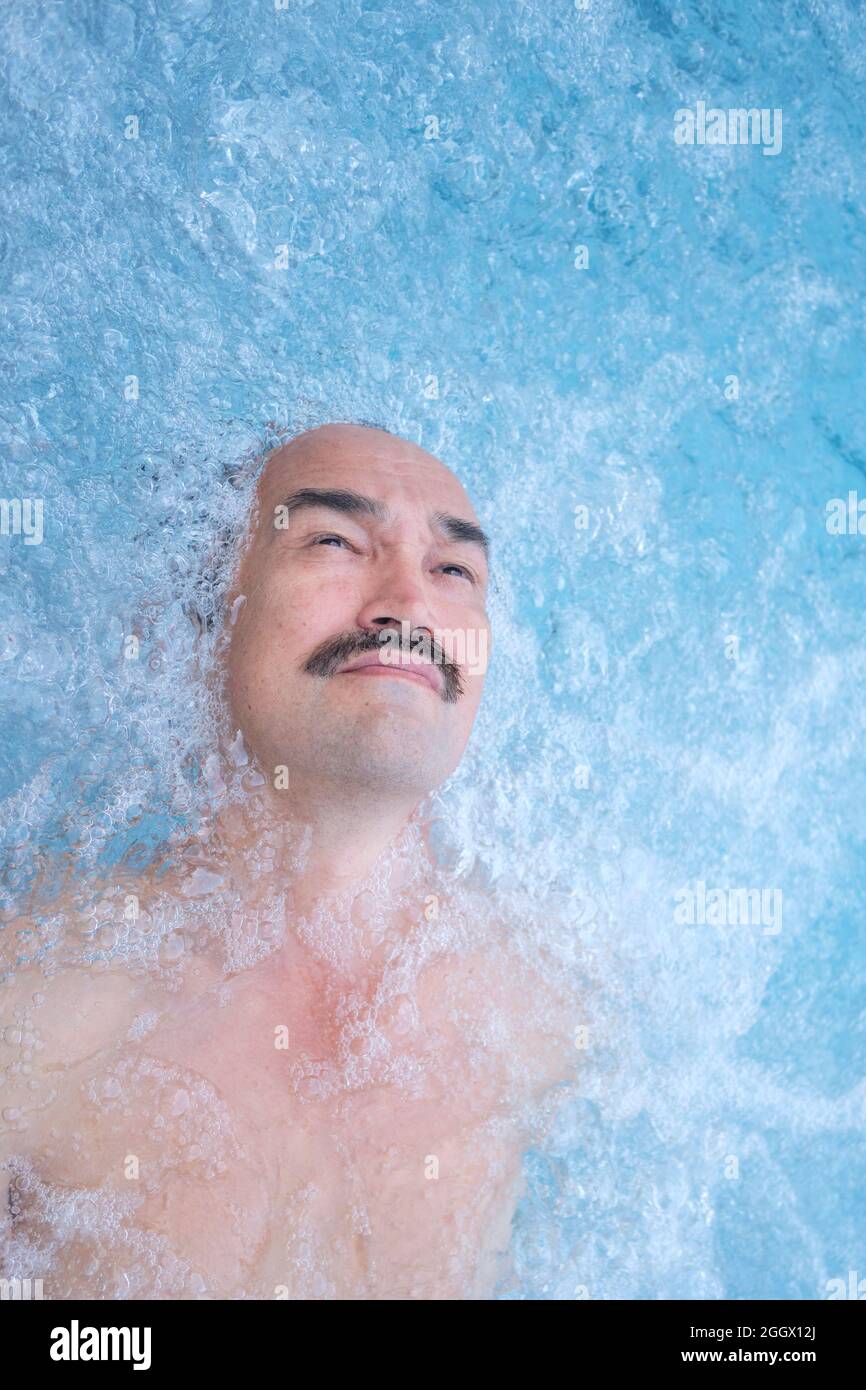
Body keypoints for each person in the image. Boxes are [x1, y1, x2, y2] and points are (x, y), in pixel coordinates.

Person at [0, 423, 578, 1300]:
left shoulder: (549, 1015)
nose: (408, 603)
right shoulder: (37, 1017)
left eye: (453, 570)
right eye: (336, 541)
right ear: (199, 629)